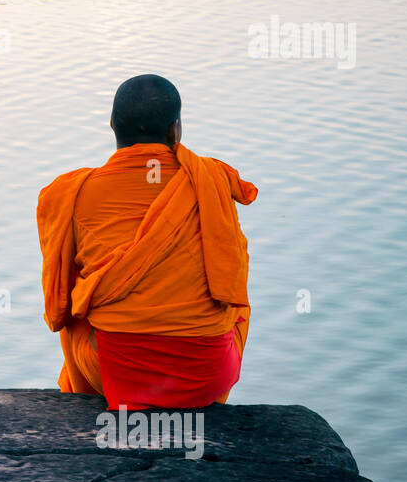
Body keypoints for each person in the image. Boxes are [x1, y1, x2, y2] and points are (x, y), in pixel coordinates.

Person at [37, 75, 257, 410]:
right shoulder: (209, 183)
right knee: (236, 304)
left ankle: (87, 397)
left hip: (111, 372)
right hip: (205, 376)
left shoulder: (71, 193)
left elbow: (57, 305)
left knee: (75, 304)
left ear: (112, 125)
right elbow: (232, 277)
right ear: (176, 130)